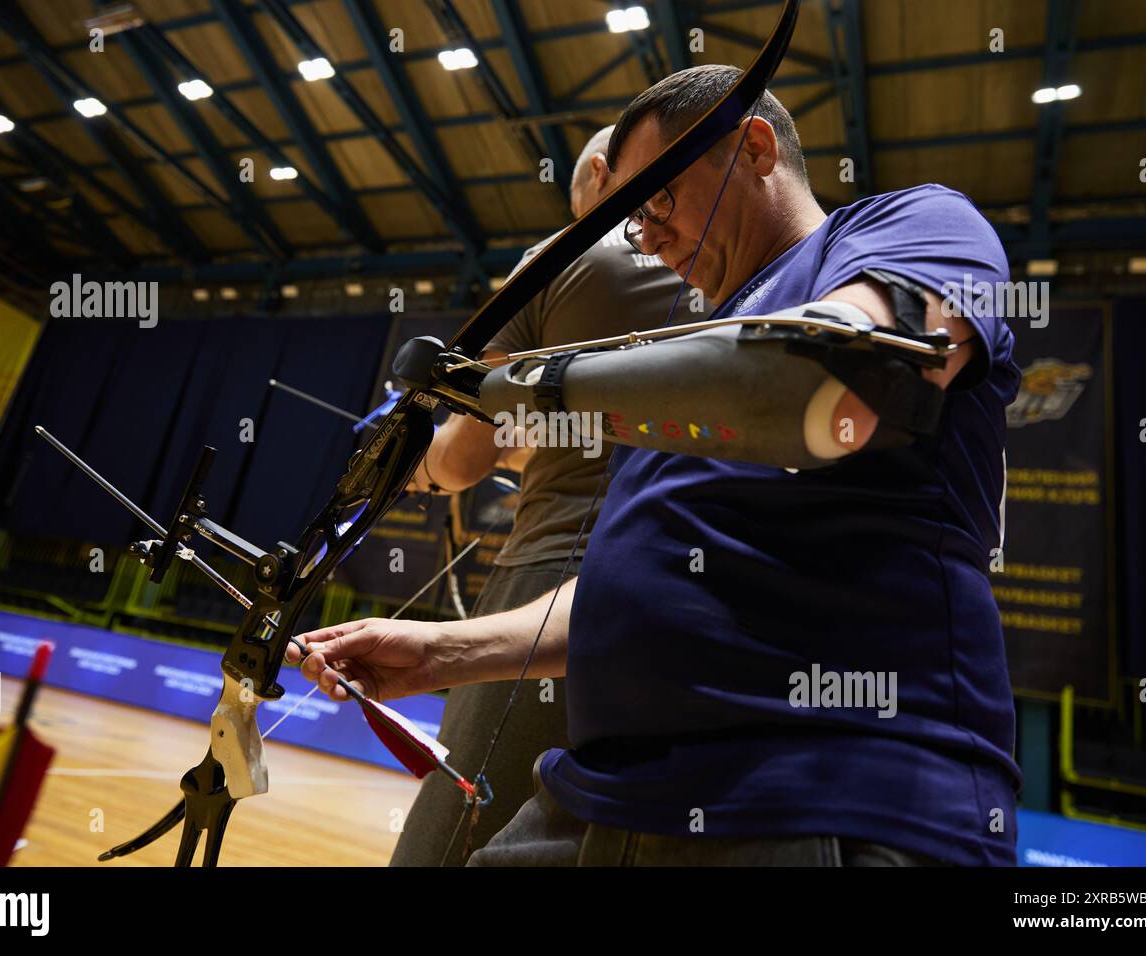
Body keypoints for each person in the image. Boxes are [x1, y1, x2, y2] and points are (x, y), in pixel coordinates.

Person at [293, 65, 1022, 866]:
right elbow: (632, 582)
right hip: (602, 802)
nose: (650, 237)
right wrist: (446, 652)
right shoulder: (684, 356)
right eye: (634, 221)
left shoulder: (919, 223)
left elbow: (823, 384)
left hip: (825, 797)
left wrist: (519, 389)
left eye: (659, 202)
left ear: (752, 147)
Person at [388, 126, 698, 865]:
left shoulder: (558, 259)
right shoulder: (730, 275)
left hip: (554, 581)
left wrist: (410, 466)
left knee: (448, 841)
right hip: (685, 600)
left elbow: (465, 457)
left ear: (597, 173)